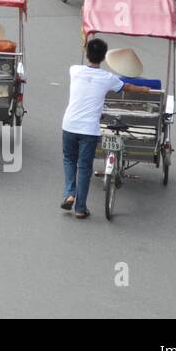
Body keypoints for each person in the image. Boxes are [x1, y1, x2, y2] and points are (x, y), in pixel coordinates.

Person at [61, 38, 150, 219]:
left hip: (69, 125)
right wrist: (145, 90)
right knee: (84, 167)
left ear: (86, 54)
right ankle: (80, 209)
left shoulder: (75, 71)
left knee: (70, 160)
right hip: (89, 130)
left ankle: (70, 193)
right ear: (103, 58)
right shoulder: (108, 78)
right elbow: (128, 86)